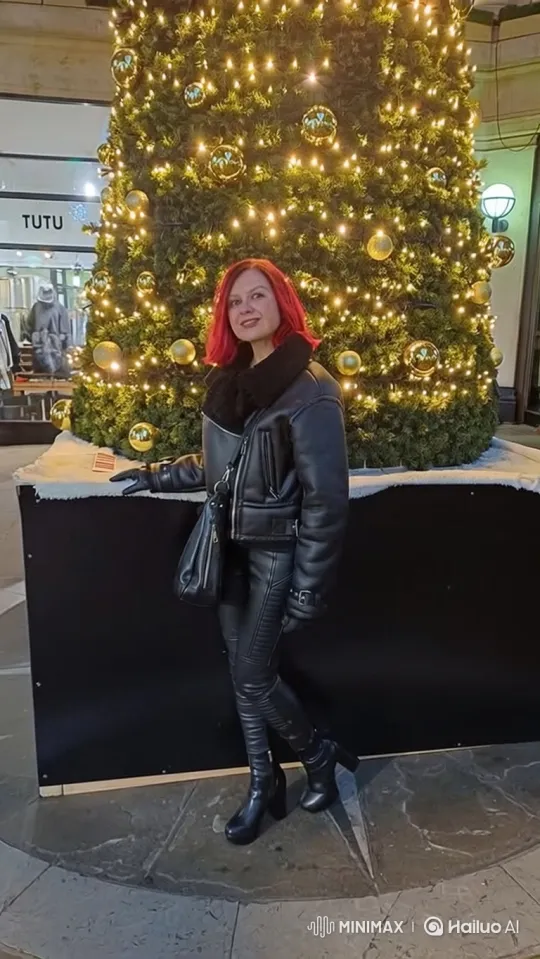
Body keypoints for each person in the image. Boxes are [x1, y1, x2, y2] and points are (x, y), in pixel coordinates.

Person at [110, 258, 356, 845]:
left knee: (251, 676)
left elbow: (327, 501)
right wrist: (156, 474)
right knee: (241, 673)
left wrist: (307, 586)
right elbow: (217, 470)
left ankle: (318, 757)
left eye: (257, 297)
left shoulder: (312, 388)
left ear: (281, 305)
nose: (245, 309)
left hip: (275, 558)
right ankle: (263, 781)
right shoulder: (229, 383)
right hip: (229, 552)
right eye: (234, 302)